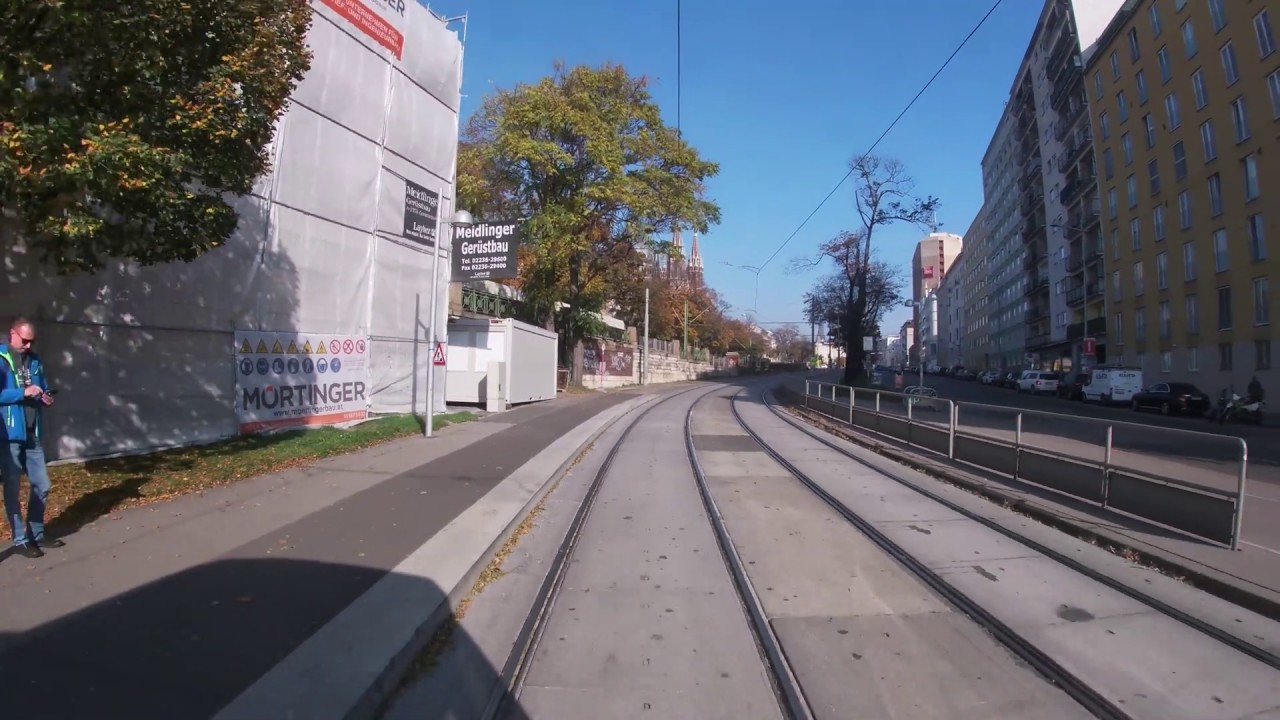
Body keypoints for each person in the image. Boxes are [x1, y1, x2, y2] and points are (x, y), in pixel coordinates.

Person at [0, 318, 60, 558]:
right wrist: (22, 392)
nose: (27, 345)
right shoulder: (2, 359)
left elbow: (41, 386)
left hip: (32, 431)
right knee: (12, 488)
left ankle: (36, 533)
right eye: (24, 340)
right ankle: (20, 540)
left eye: (31, 341)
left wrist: (44, 396)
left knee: (42, 485)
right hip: (9, 434)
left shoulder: (35, 360)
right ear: (12, 334)